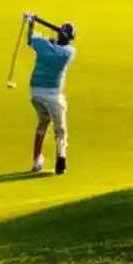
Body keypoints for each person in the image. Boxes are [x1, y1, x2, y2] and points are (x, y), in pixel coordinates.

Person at [24, 12, 76, 175]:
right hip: (53, 95)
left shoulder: (44, 45)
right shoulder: (69, 52)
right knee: (60, 129)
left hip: (35, 93)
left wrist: (31, 22)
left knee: (43, 122)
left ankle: (37, 159)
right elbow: (64, 44)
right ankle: (61, 156)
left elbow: (30, 39)